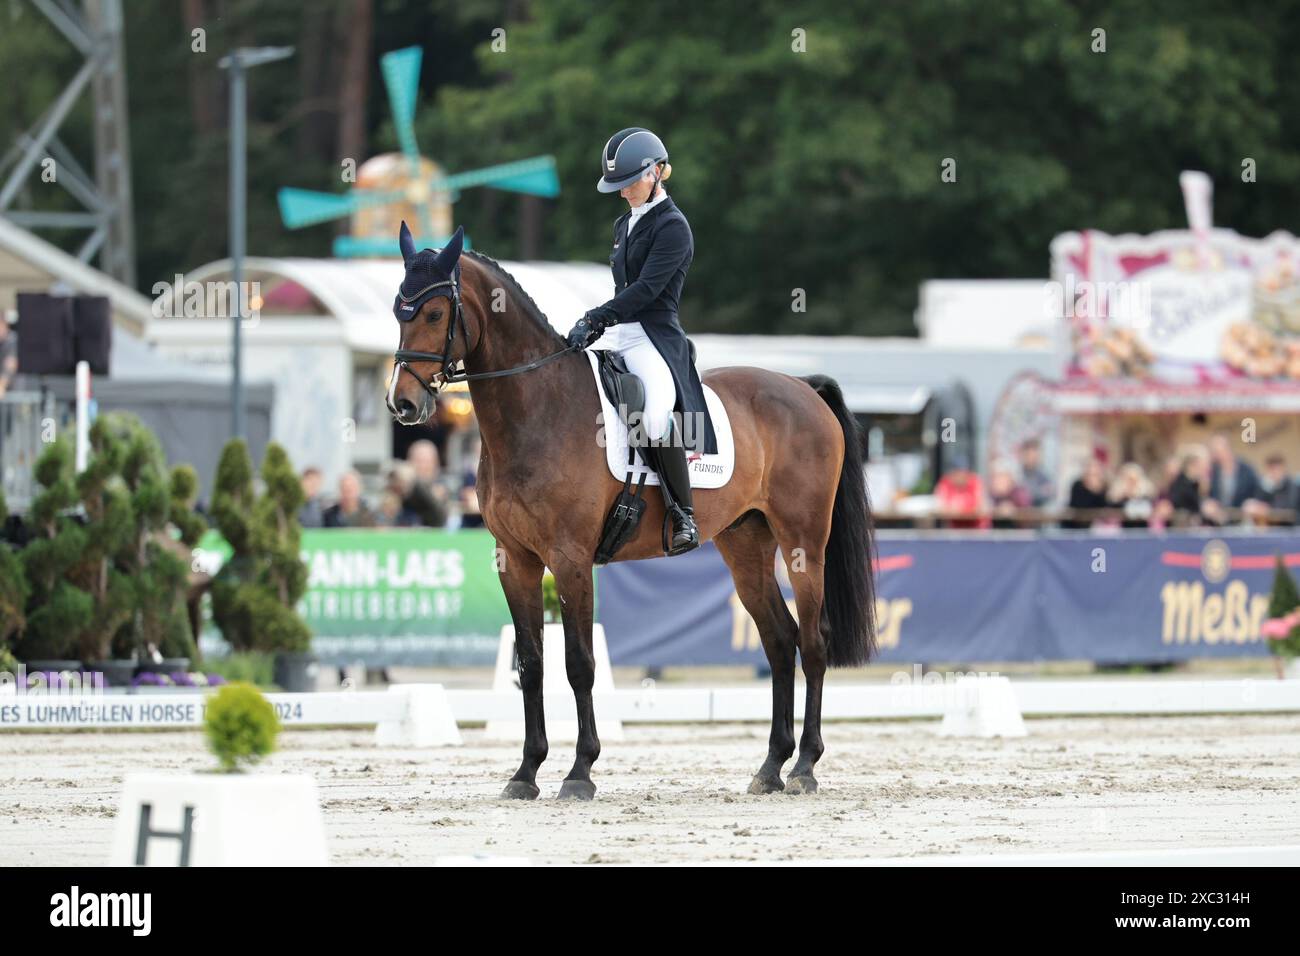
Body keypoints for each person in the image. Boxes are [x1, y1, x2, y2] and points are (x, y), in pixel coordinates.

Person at [562, 127, 717, 555]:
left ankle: (683, 514)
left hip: (654, 336)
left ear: (657, 173)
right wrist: (599, 324)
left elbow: (647, 290)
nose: (624, 191)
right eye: (619, 184)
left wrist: (597, 316)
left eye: (631, 181)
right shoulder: (623, 223)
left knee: (650, 419)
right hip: (621, 331)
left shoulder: (674, 228)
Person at [1207, 433, 1264, 516]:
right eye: (1213, 451)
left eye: (1218, 451)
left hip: (1240, 517)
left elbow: (1258, 491)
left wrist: (1253, 502)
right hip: (1218, 518)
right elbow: (1207, 494)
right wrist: (1208, 503)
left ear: (1227, 449)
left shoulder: (1246, 469)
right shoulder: (1213, 470)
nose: (1215, 455)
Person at [934, 453, 989, 529]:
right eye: (957, 472)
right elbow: (940, 508)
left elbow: (981, 507)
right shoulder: (945, 483)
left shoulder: (975, 482)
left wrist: (960, 511)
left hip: (976, 529)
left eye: (963, 472)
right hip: (954, 530)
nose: (960, 476)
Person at [404, 440, 449, 528]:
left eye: (427, 461)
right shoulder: (402, 486)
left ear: (436, 463)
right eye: (419, 461)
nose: (423, 466)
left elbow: (443, 517)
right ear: (409, 462)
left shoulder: (444, 486)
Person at [1063, 458, 1110, 529]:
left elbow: (1105, 506)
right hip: (1076, 523)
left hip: (1098, 525)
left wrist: (1097, 490)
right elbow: (1077, 504)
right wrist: (1090, 490)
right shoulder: (1077, 485)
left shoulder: (1105, 486)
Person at [1108, 462, 1155, 529]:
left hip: (1142, 528)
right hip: (1123, 528)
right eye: (1129, 480)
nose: (1131, 483)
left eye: (1133, 480)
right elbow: (1112, 507)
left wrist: (1137, 497)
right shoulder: (1118, 494)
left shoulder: (1146, 493)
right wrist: (1124, 497)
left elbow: (1150, 507)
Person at [1261, 454, 1299, 525]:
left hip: (1292, 529)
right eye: (1270, 469)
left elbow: (1289, 507)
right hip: (1274, 528)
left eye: (1276, 469)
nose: (1273, 473)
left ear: (1283, 469)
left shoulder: (1292, 486)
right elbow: (1260, 503)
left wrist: (1268, 508)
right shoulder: (1268, 486)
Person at [1017, 438, 1054, 508]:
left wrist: (1028, 494)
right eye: (1029, 455)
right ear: (1023, 455)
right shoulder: (1016, 473)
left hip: (1038, 513)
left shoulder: (1045, 475)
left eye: (1035, 456)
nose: (1032, 459)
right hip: (1018, 514)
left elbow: (1050, 495)